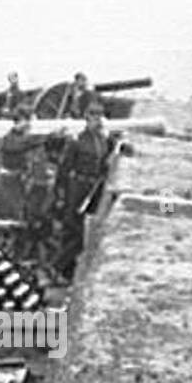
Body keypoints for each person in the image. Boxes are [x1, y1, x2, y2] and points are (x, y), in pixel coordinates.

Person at [55, 103, 112, 279]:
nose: (97, 121)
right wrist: (61, 194)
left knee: (87, 229)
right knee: (73, 228)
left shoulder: (103, 140)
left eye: (99, 118)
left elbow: (105, 162)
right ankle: (60, 268)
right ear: (86, 120)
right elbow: (63, 170)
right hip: (77, 187)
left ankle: (71, 268)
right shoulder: (77, 141)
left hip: (94, 188)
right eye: (93, 118)